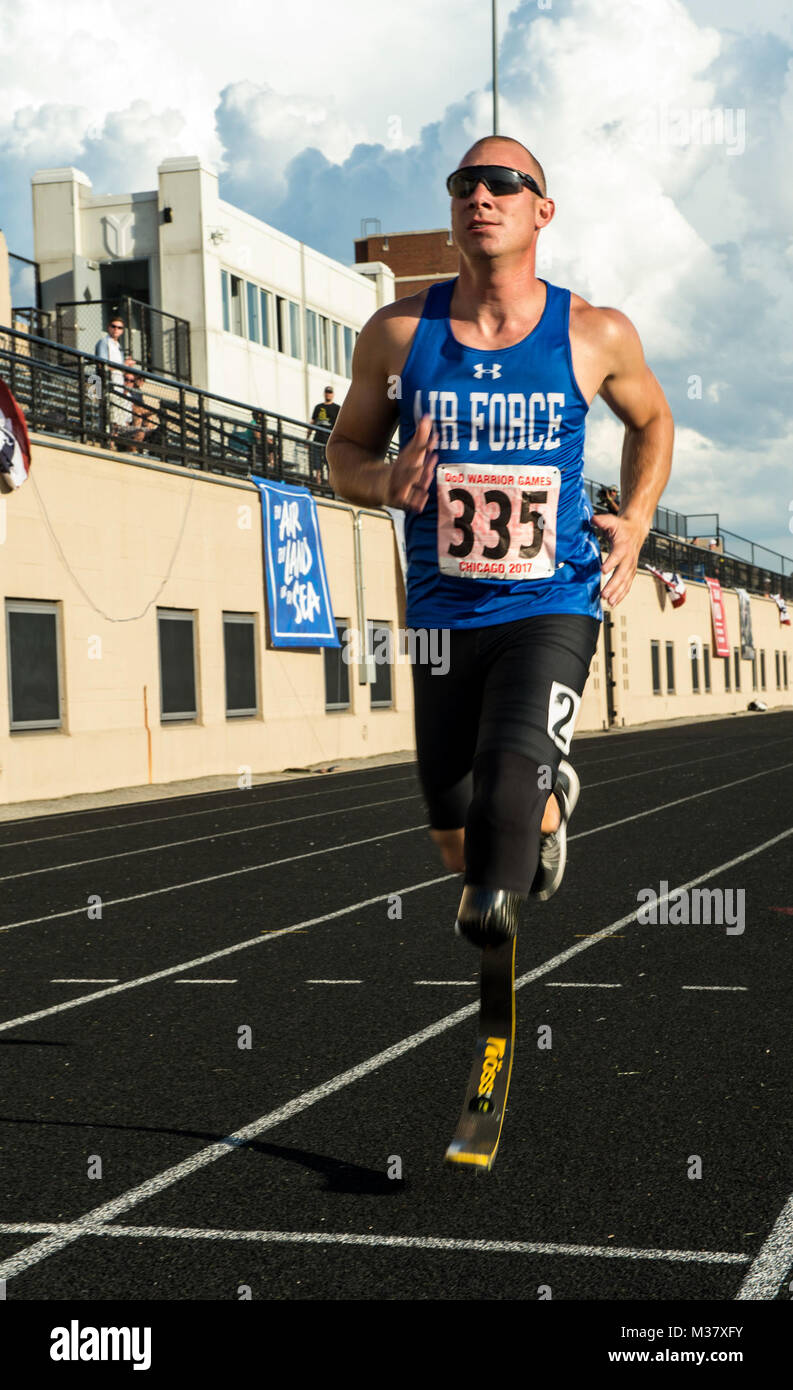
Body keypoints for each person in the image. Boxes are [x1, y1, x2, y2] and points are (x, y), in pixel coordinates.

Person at [327, 136, 673, 948]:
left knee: (502, 808)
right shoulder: (397, 335)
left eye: (503, 185)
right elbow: (345, 453)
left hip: (552, 600)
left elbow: (653, 420)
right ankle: (546, 811)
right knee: (456, 830)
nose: (479, 197)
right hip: (443, 613)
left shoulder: (593, 333)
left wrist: (638, 516)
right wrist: (386, 484)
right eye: (464, 185)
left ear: (540, 211)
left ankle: (515, 848)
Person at [94, 315, 126, 436]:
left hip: (118, 385)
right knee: (108, 414)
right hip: (107, 383)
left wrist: (124, 366)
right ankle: (106, 440)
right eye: (114, 326)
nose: (116, 329)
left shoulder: (118, 346)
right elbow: (103, 364)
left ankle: (112, 439)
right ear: (108, 327)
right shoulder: (104, 342)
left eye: (119, 327)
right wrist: (123, 366)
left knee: (117, 416)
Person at [309, 386, 340, 483]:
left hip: (330, 439)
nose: (328, 394)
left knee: (329, 462)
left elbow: (341, 424)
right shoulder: (318, 407)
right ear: (324, 393)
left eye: (330, 392)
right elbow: (312, 422)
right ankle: (318, 480)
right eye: (327, 392)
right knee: (317, 461)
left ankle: (330, 483)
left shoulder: (337, 408)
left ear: (333, 394)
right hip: (318, 437)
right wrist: (307, 436)